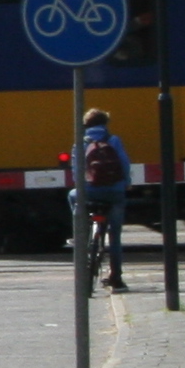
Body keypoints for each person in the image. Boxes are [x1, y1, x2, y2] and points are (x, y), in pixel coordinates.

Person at [77, 108, 131, 290]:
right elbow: (124, 164)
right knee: (114, 235)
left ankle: (79, 229)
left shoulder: (80, 142)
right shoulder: (114, 140)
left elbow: (76, 171)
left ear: (85, 125)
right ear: (105, 123)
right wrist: (126, 183)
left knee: (72, 196)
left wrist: (82, 186)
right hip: (114, 192)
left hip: (89, 192)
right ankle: (116, 278)